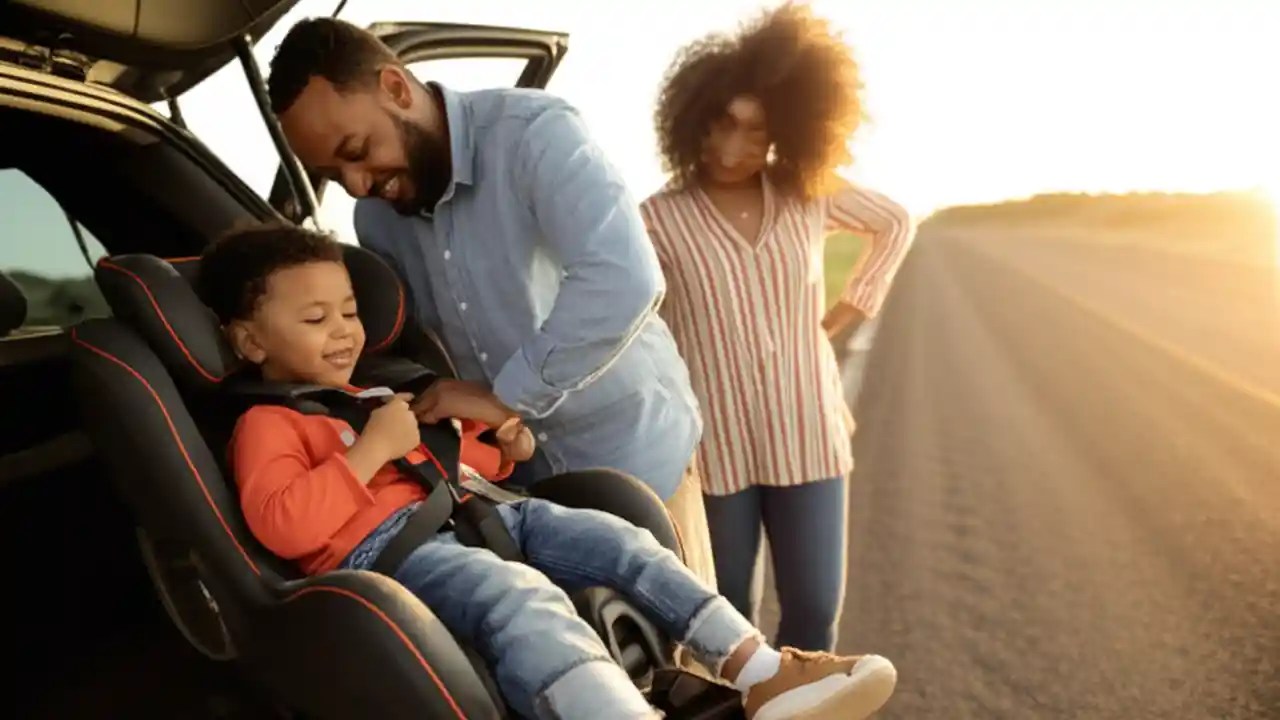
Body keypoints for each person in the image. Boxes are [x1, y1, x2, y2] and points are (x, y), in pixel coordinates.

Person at [195, 223, 898, 720]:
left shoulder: (372, 396)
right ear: (250, 340)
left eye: (349, 311)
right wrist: (367, 452)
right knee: (519, 598)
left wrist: (506, 447)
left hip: (489, 512)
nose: (346, 331)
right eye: (317, 318)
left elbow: (451, 461)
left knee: (621, 542)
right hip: (393, 557)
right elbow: (283, 524)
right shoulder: (268, 424)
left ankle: (758, 669)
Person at [261, 17, 719, 590]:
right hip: (517, 492)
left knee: (695, 662)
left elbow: (623, 277)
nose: (355, 184)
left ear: (397, 89)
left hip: (635, 461)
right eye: (332, 173)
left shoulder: (535, 135)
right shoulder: (374, 218)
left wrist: (505, 396)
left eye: (357, 151)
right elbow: (422, 352)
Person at [639, 2, 915, 653]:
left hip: (810, 434)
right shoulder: (654, 219)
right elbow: (624, 316)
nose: (733, 149)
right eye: (722, 124)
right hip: (717, 447)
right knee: (729, 618)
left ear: (787, 132)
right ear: (693, 118)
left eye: (756, 132)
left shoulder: (808, 192)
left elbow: (896, 221)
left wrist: (846, 313)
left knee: (815, 611)